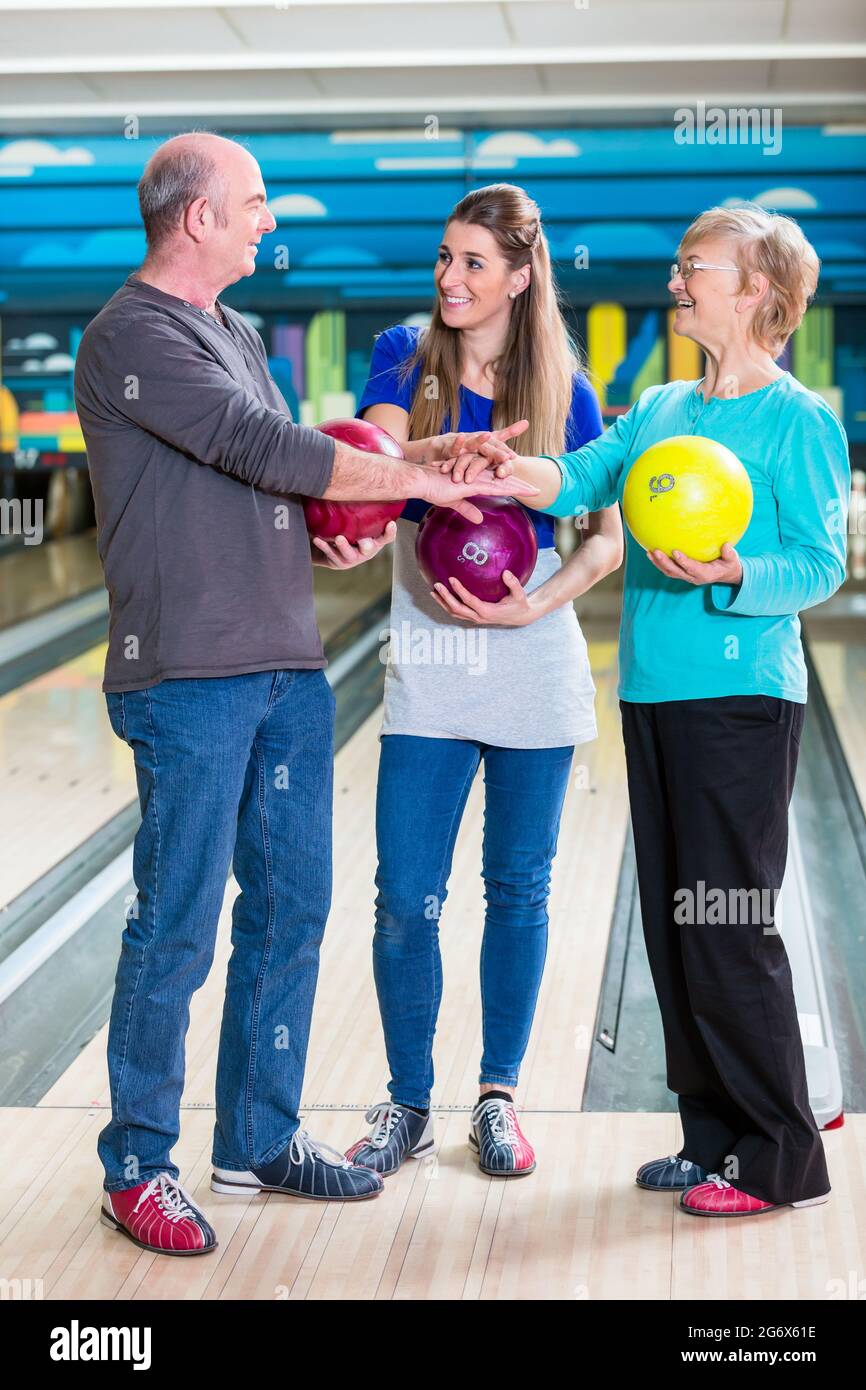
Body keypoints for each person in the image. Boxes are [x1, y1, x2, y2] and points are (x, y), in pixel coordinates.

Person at [74, 133, 534, 1256]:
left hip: (284, 661)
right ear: (196, 219)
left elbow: (272, 481)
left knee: (291, 908)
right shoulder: (131, 335)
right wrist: (423, 470)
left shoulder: (235, 330)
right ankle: (137, 1164)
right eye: (254, 203)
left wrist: (325, 537)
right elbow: (262, 445)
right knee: (174, 922)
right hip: (188, 670)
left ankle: (257, 1137)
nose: (268, 221)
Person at [473, 204, 850, 1216]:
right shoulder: (659, 405)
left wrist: (737, 570)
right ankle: (713, 1137)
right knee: (676, 929)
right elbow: (582, 479)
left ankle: (779, 1158)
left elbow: (818, 561)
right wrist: (518, 472)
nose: (675, 279)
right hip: (653, 694)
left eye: (695, 266)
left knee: (726, 927)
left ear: (757, 290)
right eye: (680, 263)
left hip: (739, 699)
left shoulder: (797, 418)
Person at [344, 184, 623, 1179]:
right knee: (403, 891)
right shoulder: (399, 355)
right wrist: (436, 455)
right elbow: (373, 465)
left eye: (471, 262)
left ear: (518, 275)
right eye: (443, 258)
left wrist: (532, 608)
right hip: (427, 652)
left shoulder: (565, 390)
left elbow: (603, 539)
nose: (448, 279)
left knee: (518, 885)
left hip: (528, 645)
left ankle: (496, 1095)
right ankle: (405, 1099)